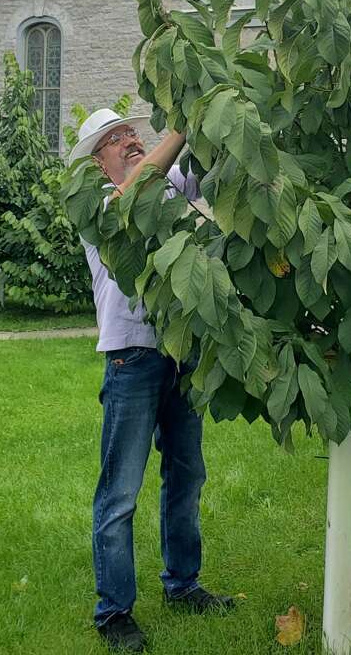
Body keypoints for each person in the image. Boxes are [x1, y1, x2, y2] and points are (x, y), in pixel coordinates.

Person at [70, 108, 236, 653]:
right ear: (99, 164)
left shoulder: (167, 183)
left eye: (131, 133)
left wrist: (217, 113)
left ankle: (183, 584)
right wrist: (183, 127)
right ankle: (114, 612)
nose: (129, 141)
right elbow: (141, 187)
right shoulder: (97, 204)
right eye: (114, 141)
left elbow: (211, 168)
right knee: (120, 492)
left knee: (186, 475)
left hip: (181, 353)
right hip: (133, 359)